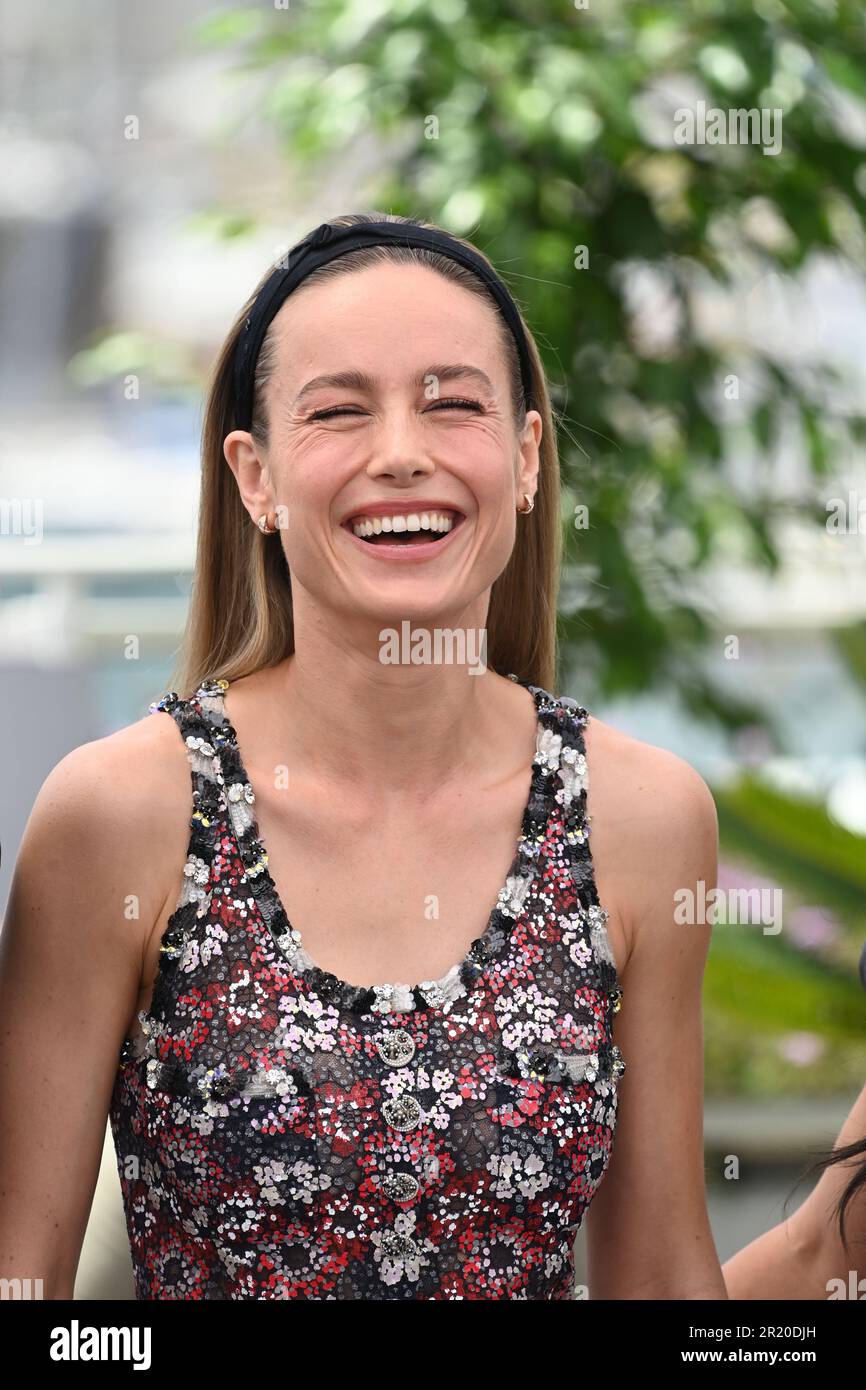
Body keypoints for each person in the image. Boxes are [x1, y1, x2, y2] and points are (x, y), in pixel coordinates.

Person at [0, 212, 724, 1300]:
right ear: (257, 478)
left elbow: (663, 1281)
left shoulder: (642, 816)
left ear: (524, 458)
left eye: (453, 404)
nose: (399, 453)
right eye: (338, 411)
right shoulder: (119, 813)